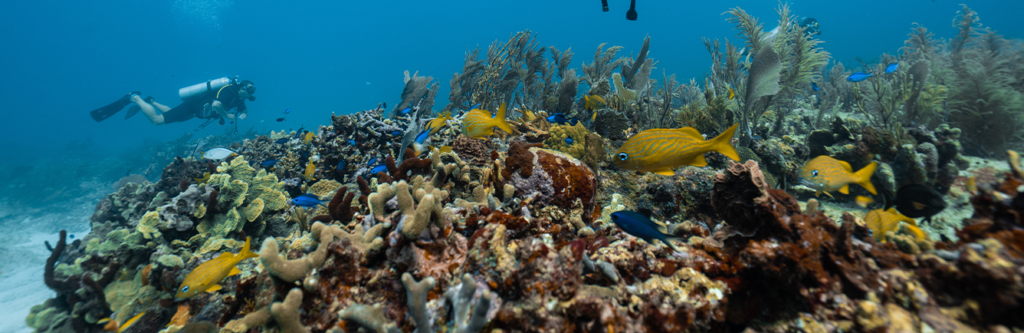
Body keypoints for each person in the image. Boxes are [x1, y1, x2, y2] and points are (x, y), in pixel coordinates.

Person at [133, 80, 255, 125]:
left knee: (173, 117)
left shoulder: (238, 98)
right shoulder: (229, 92)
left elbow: (243, 108)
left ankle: (151, 102)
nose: (252, 92)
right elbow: (216, 105)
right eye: (250, 89)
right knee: (157, 121)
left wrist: (245, 113)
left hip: (196, 112)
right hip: (191, 107)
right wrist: (226, 115)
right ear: (242, 88)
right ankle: (135, 98)